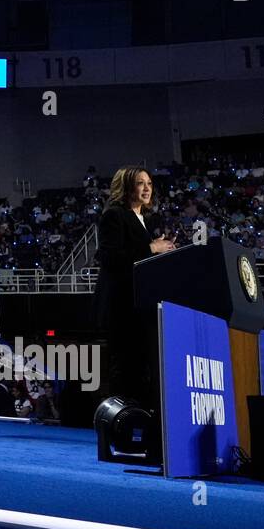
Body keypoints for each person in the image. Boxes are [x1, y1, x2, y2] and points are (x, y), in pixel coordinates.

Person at [92, 166, 175, 404]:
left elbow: (137, 259)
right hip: (121, 309)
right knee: (125, 370)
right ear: (127, 187)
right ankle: (120, 425)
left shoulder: (143, 220)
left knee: (139, 371)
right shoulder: (114, 215)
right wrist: (151, 248)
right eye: (141, 183)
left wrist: (161, 250)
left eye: (149, 183)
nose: (147, 188)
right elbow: (110, 258)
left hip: (139, 307)